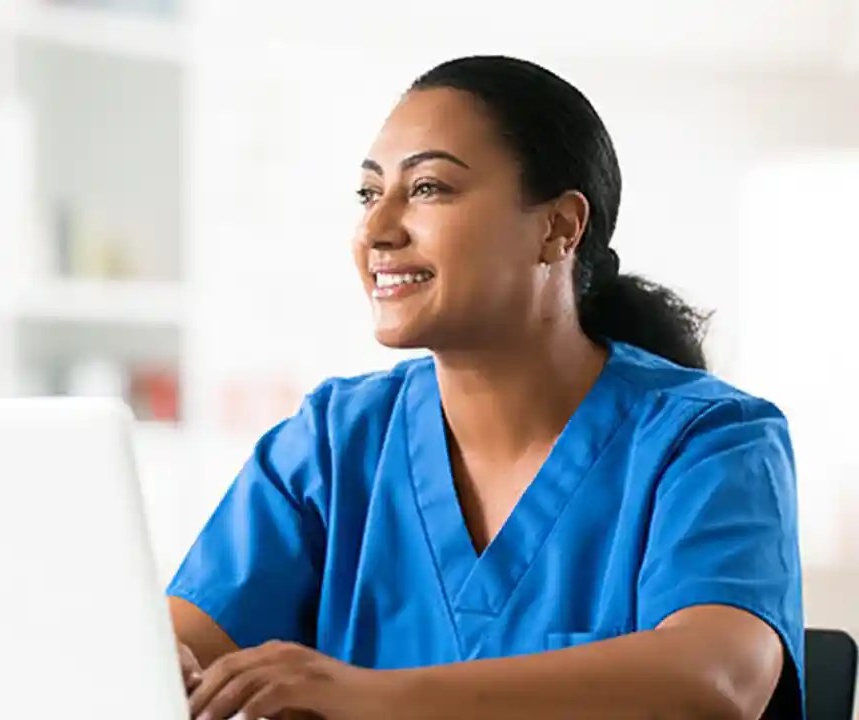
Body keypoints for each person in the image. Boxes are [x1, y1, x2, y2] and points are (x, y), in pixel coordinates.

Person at [166, 55, 804, 720]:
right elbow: (167, 644)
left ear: (558, 228)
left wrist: (362, 695)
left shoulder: (709, 441)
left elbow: (716, 682)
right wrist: (161, 664)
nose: (376, 230)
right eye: (367, 193)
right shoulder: (332, 441)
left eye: (428, 189)